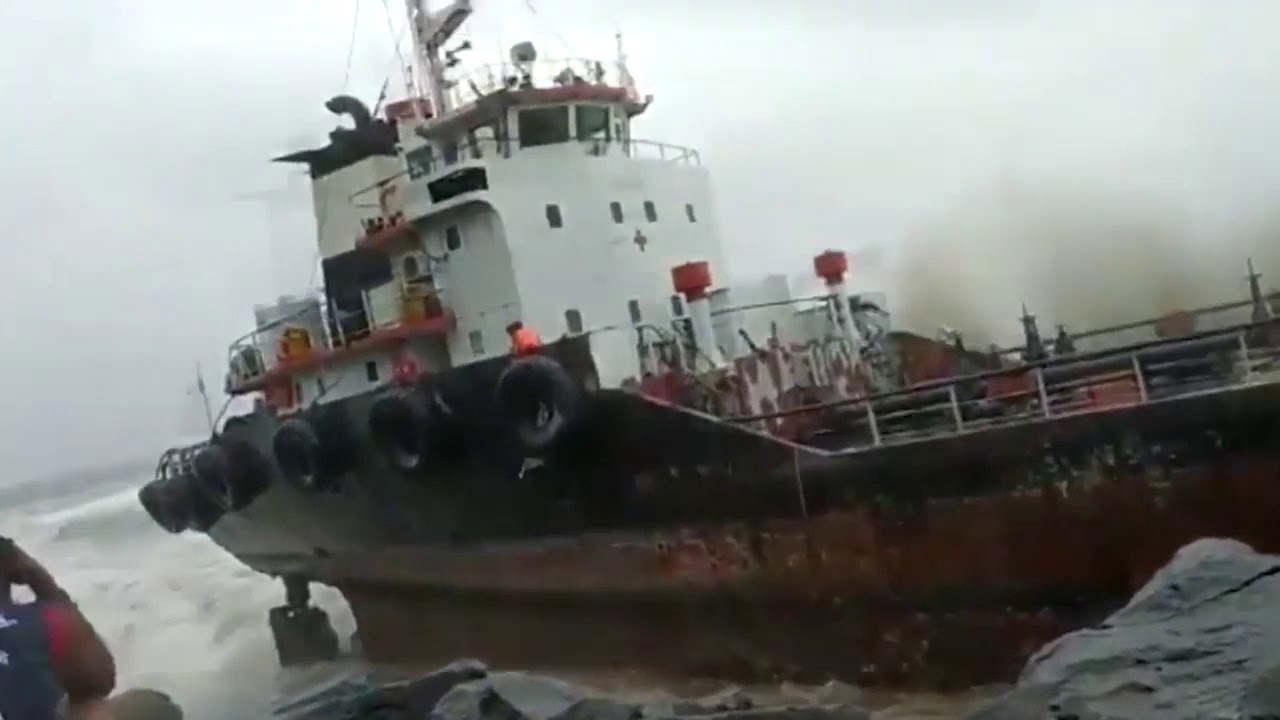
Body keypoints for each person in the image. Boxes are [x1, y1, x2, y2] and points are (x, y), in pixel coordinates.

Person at [0, 537, 181, 720]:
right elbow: (100, 680)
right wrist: (40, 579)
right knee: (156, 707)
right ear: (14, 568)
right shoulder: (50, 618)